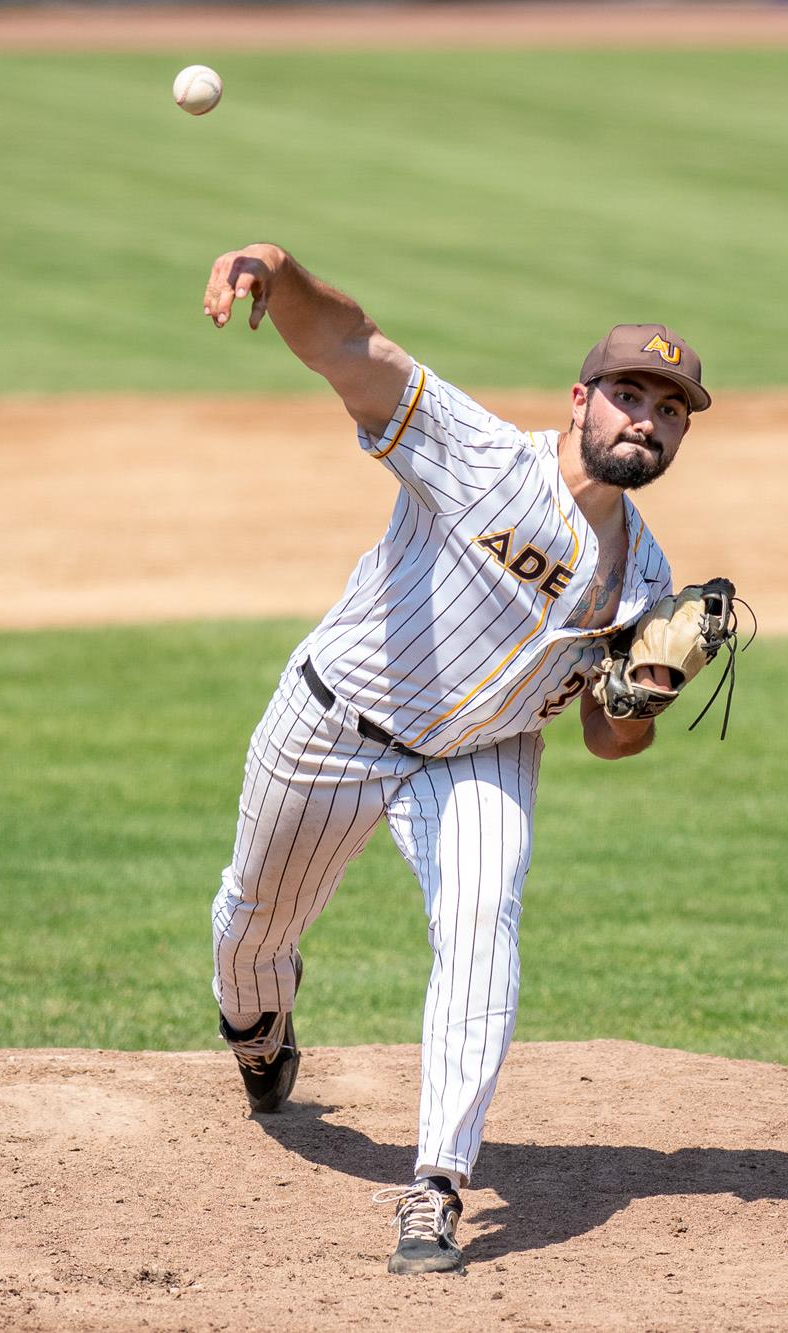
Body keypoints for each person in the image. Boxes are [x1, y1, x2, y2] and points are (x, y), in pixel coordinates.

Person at [201, 242, 711, 1275]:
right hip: (334, 723)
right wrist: (275, 267)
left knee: (482, 921)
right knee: (255, 928)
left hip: (478, 758)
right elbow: (351, 345)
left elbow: (608, 740)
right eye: (627, 395)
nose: (644, 420)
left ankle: (434, 1184)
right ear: (579, 400)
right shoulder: (477, 453)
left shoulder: (646, 582)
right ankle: (259, 1027)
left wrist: (642, 693)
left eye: (668, 409)